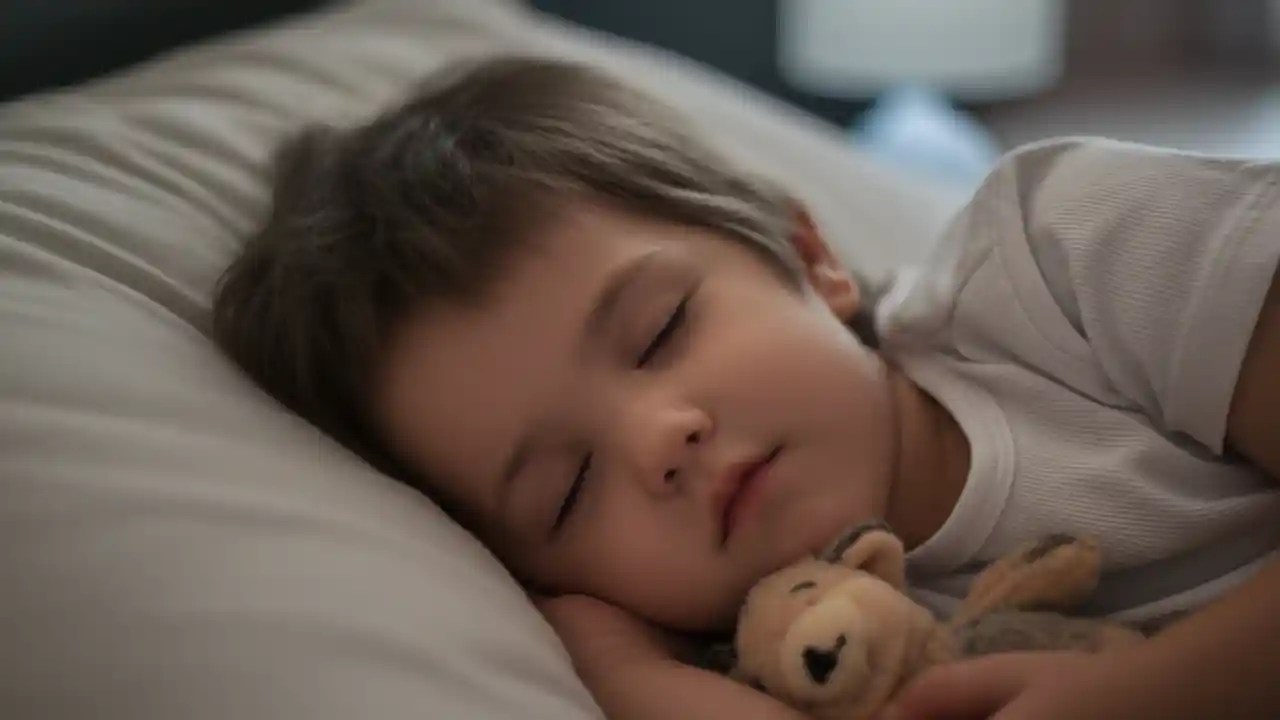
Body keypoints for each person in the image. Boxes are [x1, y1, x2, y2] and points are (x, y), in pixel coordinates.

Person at [211, 56, 1280, 719]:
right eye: (568, 491)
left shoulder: (1063, 257)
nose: (657, 441)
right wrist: (621, 673)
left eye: (661, 330)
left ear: (805, 250)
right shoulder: (784, 658)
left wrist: (1158, 694)